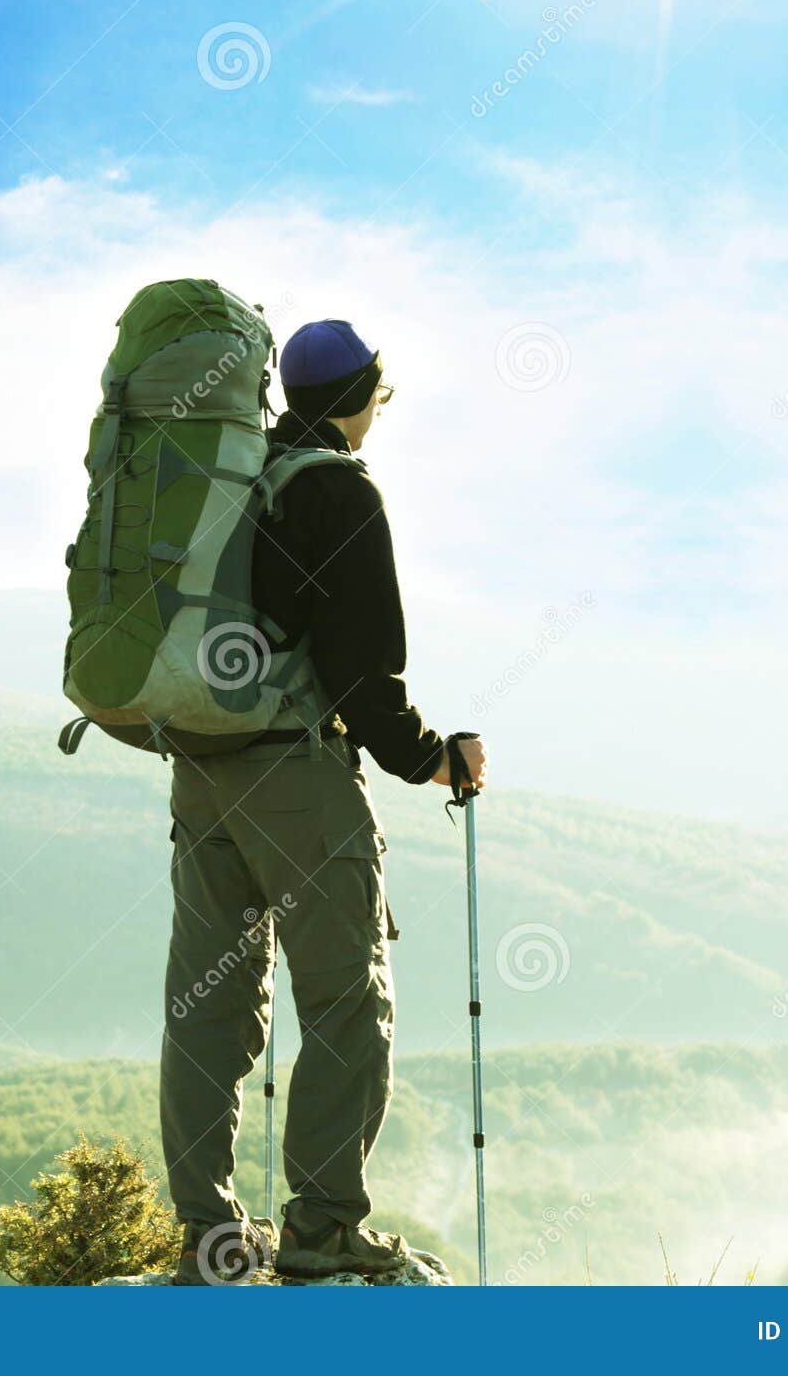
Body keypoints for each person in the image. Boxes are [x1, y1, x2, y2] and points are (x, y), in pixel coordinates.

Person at [159, 318, 487, 1282]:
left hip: (200, 766)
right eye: (380, 398)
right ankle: (323, 1227)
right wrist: (431, 757)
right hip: (296, 777)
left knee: (205, 1006)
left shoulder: (233, 479)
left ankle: (209, 1236)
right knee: (345, 1001)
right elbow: (360, 670)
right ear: (361, 395)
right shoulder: (338, 490)